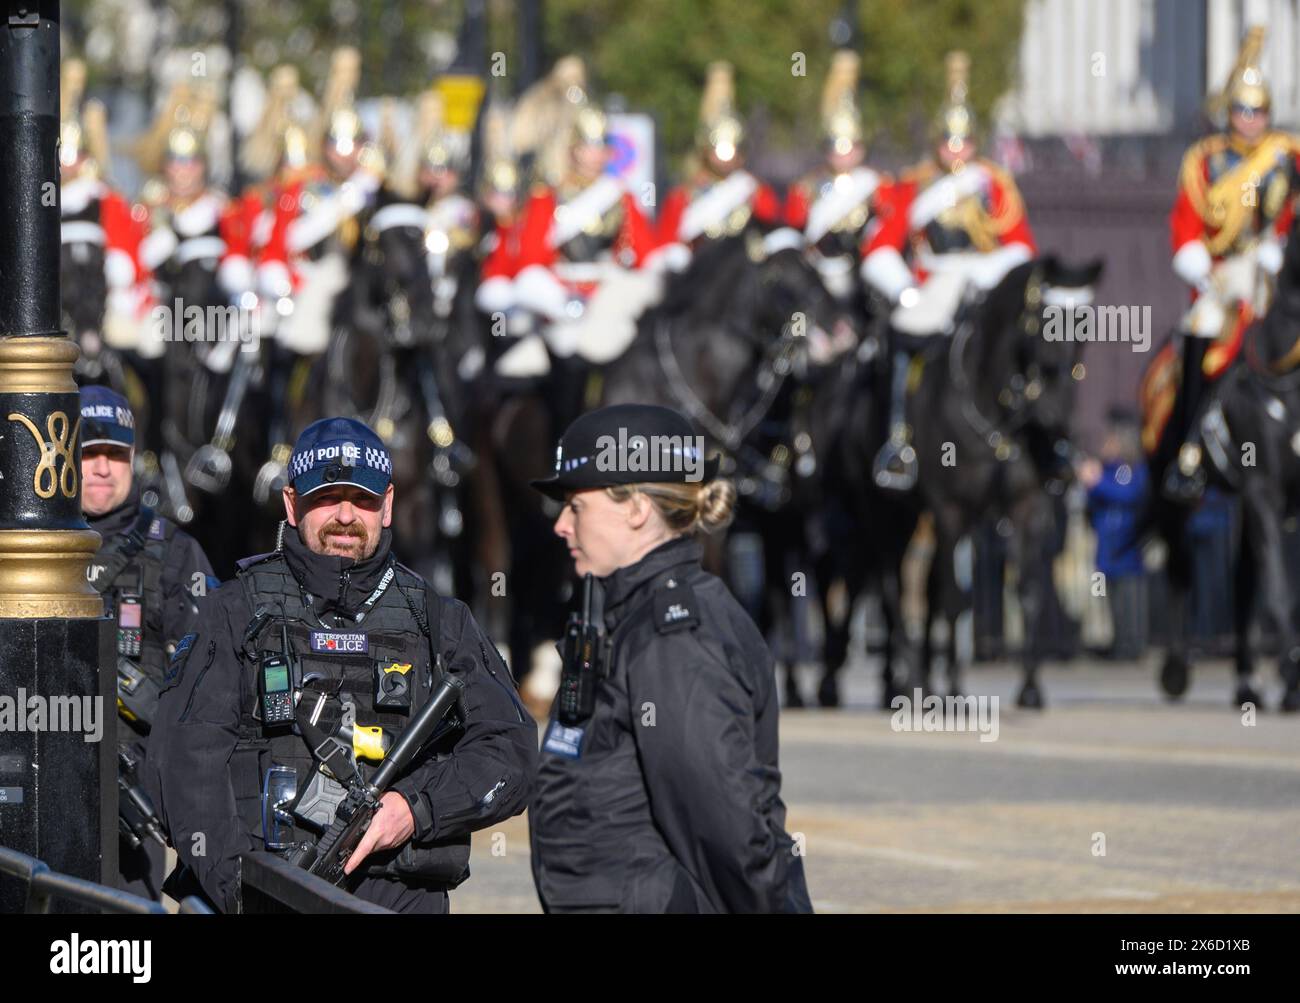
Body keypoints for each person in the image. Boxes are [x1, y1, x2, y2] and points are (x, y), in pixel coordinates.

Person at [144, 416, 537, 913]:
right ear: (291, 503)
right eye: (326, 498)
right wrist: (241, 892)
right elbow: (183, 764)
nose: (346, 516)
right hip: (263, 897)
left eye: (364, 500)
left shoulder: (439, 620)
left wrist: (415, 809)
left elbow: (512, 752)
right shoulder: (234, 611)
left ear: (388, 505)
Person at [528, 403, 813, 913]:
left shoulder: (673, 638)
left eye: (577, 506)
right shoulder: (629, 615)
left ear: (636, 508)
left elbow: (726, 829)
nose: (561, 527)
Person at [861, 51, 1037, 490]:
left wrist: (984, 271)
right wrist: (906, 290)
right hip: (930, 288)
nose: (954, 150)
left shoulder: (993, 186)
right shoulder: (913, 186)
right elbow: (881, 249)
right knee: (903, 341)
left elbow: (1020, 247)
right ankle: (898, 439)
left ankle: (1030, 437)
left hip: (981, 286)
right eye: (947, 141)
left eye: (962, 142)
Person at [79, 385, 216, 900]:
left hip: (130, 804)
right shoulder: (25, 552)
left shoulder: (176, 554)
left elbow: (210, 685)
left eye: (115, 454)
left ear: (133, 458)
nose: (102, 468)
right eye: (88, 453)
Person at [1164, 25, 1300, 500]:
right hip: (1224, 270)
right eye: (1243, 110)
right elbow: (1186, 225)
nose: (1250, 119)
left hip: (1276, 266)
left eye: (1258, 110)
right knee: (1202, 327)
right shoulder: (1205, 159)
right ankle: (1190, 446)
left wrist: (1279, 247)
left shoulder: (1286, 154)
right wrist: (1203, 269)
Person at [1079, 410, 1150, 661]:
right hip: (1106, 552)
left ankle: (1133, 644)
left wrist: (1096, 482)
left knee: (1130, 599)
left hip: (1127, 549)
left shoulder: (1132, 469)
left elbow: (1128, 494)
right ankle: (1116, 641)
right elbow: (1091, 504)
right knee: (1108, 600)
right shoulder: (1106, 470)